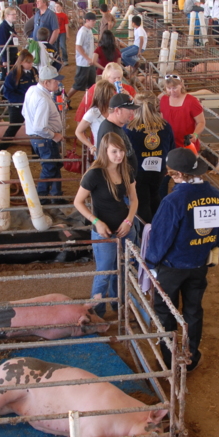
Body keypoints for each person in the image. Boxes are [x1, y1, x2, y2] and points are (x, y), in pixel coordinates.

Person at [145, 147, 219, 372]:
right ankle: (191, 358)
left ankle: (168, 358)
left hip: (172, 267)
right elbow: (218, 231)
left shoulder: (173, 201)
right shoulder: (217, 196)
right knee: (193, 310)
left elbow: (161, 238)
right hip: (200, 264)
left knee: (165, 310)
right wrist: (213, 249)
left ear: (178, 175)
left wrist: (151, 264)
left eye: (171, 173)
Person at [73, 132, 138, 316]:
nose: (119, 155)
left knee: (125, 270)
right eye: (114, 151)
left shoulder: (127, 170)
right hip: (104, 233)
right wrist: (96, 222)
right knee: (104, 273)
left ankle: (120, 308)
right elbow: (78, 202)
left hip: (125, 230)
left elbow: (134, 200)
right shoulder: (94, 174)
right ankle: (97, 313)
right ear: (105, 151)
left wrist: (129, 221)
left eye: (121, 151)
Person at [125, 93, 175, 223]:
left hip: (138, 172)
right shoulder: (165, 126)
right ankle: (158, 226)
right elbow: (171, 149)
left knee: (142, 201)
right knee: (155, 196)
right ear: (156, 107)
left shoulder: (129, 128)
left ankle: (145, 232)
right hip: (159, 170)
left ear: (135, 108)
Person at [23, 65, 65, 204]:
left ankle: (56, 195)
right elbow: (40, 127)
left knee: (54, 164)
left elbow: (24, 112)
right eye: (55, 81)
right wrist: (54, 135)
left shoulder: (32, 90)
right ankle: (40, 198)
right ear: (46, 82)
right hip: (44, 139)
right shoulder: (43, 100)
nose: (58, 83)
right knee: (49, 167)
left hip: (37, 139)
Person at [0, 49, 37, 152]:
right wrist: (24, 100)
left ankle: (35, 153)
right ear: (21, 62)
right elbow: (7, 93)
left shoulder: (33, 71)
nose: (30, 64)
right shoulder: (13, 75)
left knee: (34, 129)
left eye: (31, 62)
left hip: (31, 106)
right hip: (17, 107)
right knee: (13, 129)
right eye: (28, 62)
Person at [96, 92, 139, 175]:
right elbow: (109, 163)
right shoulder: (110, 131)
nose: (132, 113)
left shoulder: (115, 127)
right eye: (129, 109)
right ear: (117, 110)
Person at [159, 75, 205, 152]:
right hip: (168, 142)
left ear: (181, 85)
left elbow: (201, 122)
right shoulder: (164, 99)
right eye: (169, 88)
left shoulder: (192, 101)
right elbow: (162, 118)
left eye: (174, 88)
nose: (172, 91)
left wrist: (195, 134)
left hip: (186, 143)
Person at [76, 79, 116, 155]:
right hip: (101, 153)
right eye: (111, 94)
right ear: (104, 96)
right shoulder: (93, 113)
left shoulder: (115, 109)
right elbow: (78, 132)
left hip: (116, 150)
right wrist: (91, 146)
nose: (114, 96)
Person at [67, 12, 99, 103]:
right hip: (83, 63)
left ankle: (90, 101)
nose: (94, 23)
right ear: (87, 20)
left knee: (92, 84)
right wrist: (87, 58)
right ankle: (66, 99)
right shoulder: (82, 31)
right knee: (78, 84)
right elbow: (78, 46)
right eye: (93, 21)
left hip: (89, 62)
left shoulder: (89, 30)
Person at [0, 7, 20, 79]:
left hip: (12, 54)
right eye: (13, 14)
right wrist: (4, 60)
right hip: (7, 56)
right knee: (7, 76)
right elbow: (2, 44)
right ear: (7, 15)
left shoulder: (10, 25)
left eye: (15, 14)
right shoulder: (2, 28)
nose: (15, 16)